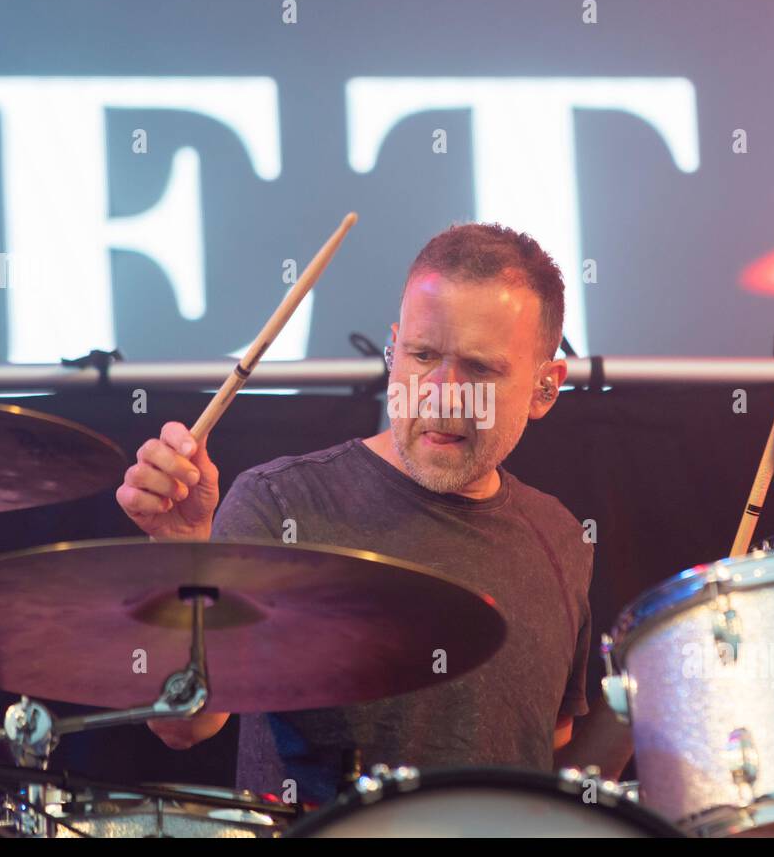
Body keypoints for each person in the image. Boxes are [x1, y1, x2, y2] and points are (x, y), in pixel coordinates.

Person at [116, 222, 629, 803]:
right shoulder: (283, 504)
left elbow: (548, 763)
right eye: (422, 355)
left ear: (546, 388)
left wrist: (642, 708)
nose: (440, 393)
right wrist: (180, 551)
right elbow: (182, 724)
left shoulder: (560, 535)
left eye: (480, 369)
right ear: (394, 347)